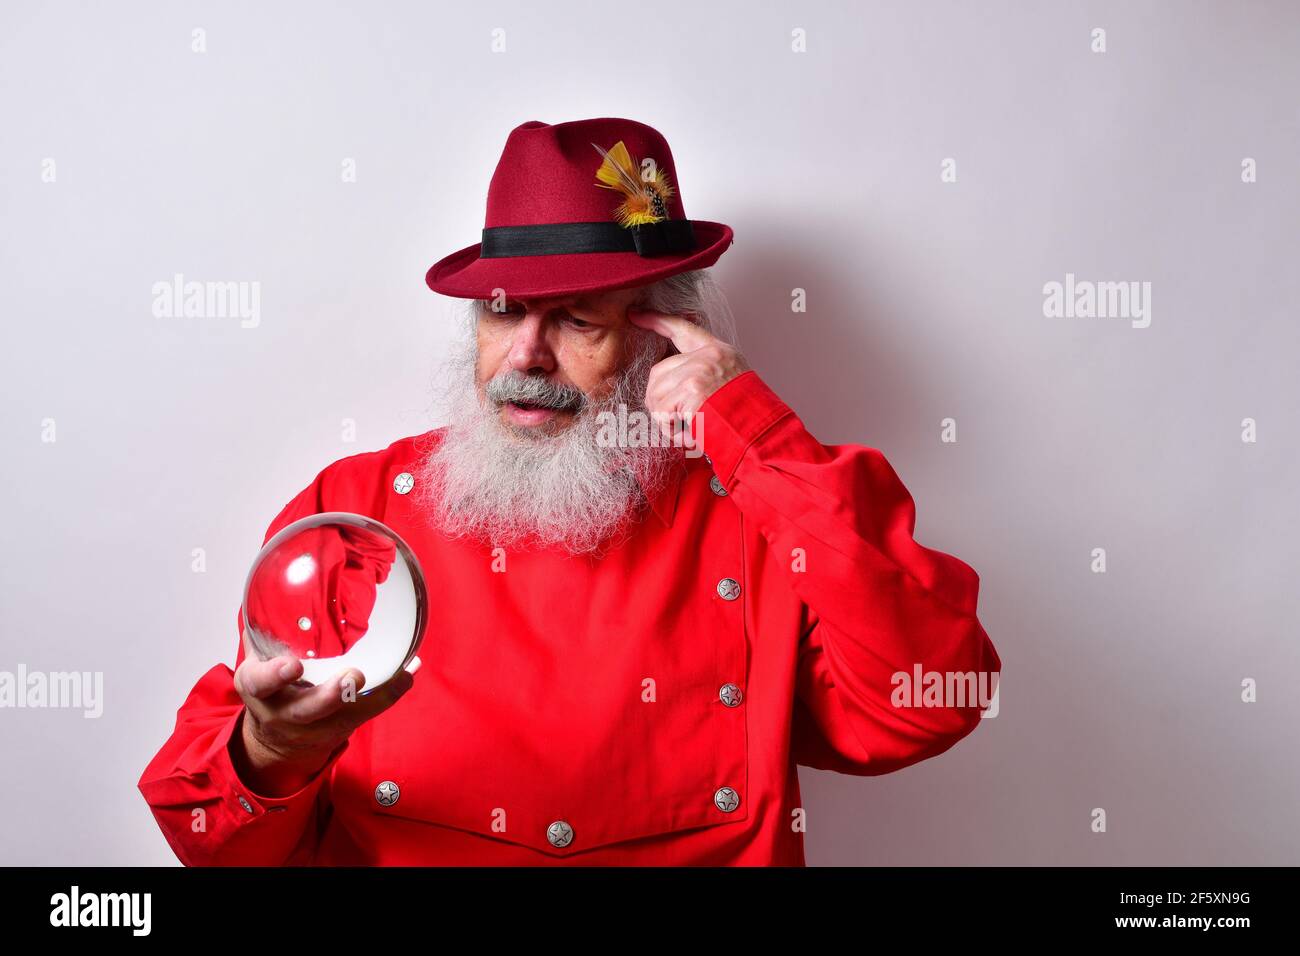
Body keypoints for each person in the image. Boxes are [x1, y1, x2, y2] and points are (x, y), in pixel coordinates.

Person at [138, 117, 1001, 865]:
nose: (525, 357)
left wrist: (755, 433)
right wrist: (272, 748)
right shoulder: (359, 510)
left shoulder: (761, 515)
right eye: (503, 312)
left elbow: (924, 699)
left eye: (578, 320)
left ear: (667, 336)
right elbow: (215, 842)